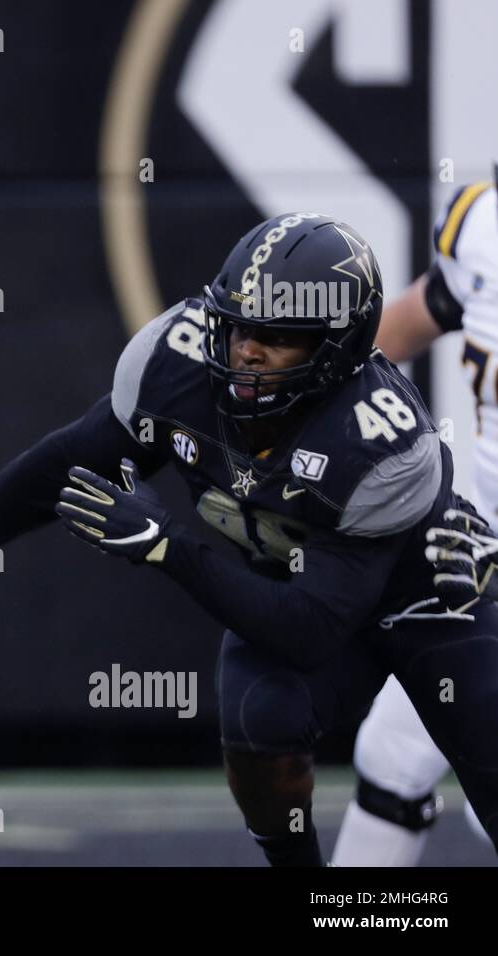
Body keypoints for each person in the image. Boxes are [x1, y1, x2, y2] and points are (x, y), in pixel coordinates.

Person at [0, 212, 498, 865]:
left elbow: (310, 630)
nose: (245, 351)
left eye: (273, 337)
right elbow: (68, 462)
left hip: (427, 605)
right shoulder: (178, 364)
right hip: (294, 580)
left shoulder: (383, 443)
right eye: (237, 327)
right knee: (258, 718)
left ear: (335, 350)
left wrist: (166, 546)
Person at [328, 180, 498, 865]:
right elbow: (413, 317)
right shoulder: (483, 226)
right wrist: (311, 376)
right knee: (394, 753)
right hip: (475, 561)